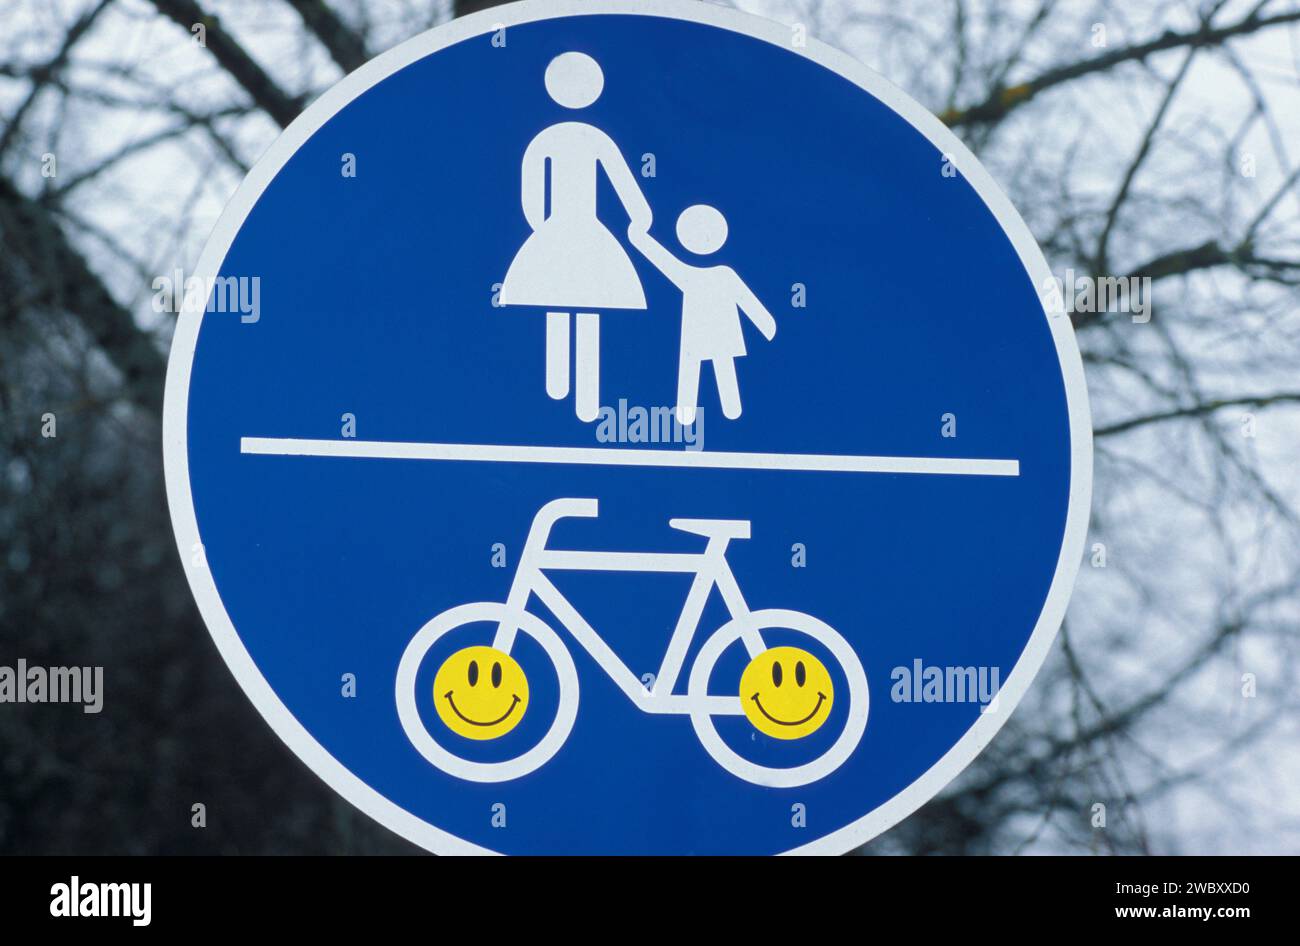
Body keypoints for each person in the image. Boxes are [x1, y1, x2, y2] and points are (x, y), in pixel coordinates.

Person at [499, 52, 652, 422]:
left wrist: (542, 228)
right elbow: (533, 189)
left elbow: (533, 195)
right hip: (569, 229)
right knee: (568, 299)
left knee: (581, 301)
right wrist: (639, 216)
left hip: (570, 230)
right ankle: (560, 391)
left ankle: (582, 399)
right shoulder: (558, 139)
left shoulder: (577, 138)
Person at [628, 205, 776, 426]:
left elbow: (746, 300)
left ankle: (730, 414)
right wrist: (639, 239)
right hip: (699, 333)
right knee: (697, 367)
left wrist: (766, 324)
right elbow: (662, 260)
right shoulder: (699, 275)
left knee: (716, 368)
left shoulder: (715, 275)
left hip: (715, 332)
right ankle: (690, 417)